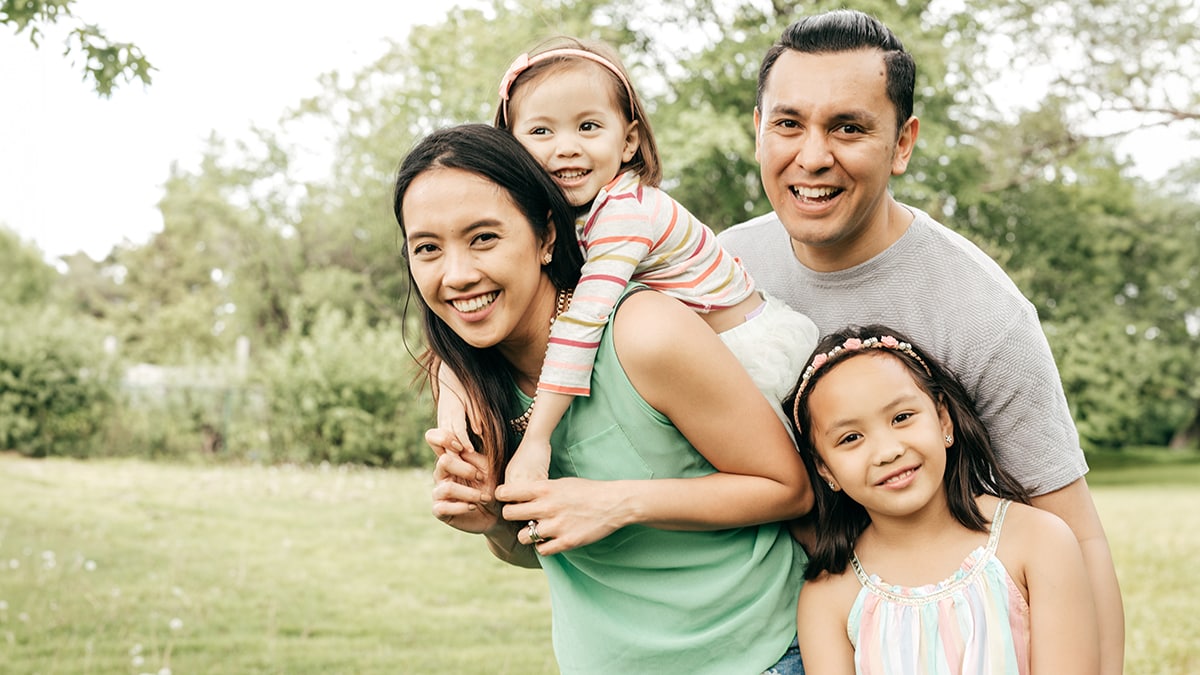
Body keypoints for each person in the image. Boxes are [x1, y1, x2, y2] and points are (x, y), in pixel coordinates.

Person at [717, 9, 1125, 669]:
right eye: (788, 124)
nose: (812, 155)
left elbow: (1077, 534)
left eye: (848, 127)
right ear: (757, 130)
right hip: (774, 627)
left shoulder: (981, 313)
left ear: (903, 143)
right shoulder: (717, 276)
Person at [396, 123, 812, 674]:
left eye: (484, 238)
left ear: (546, 237)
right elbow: (546, 548)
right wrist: (493, 521)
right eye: (428, 248)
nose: (458, 275)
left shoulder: (643, 334)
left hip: (756, 656)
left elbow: (788, 489)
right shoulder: (474, 378)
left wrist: (617, 502)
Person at [436, 37, 818, 487]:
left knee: (791, 492)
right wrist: (451, 378)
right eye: (541, 132)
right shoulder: (567, 218)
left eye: (589, 127)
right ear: (511, 149)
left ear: (628, 141)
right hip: (683, 358)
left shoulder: (625, 213)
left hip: (745, 354)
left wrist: (538, 437)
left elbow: (584, 319)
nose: (566, 148)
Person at [787, 324, 1100, 673]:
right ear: (825, 469)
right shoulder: (828, 598)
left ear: (943, 420)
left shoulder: (1038, 541)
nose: (888, 452)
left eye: (902, 417)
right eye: (851, 438)